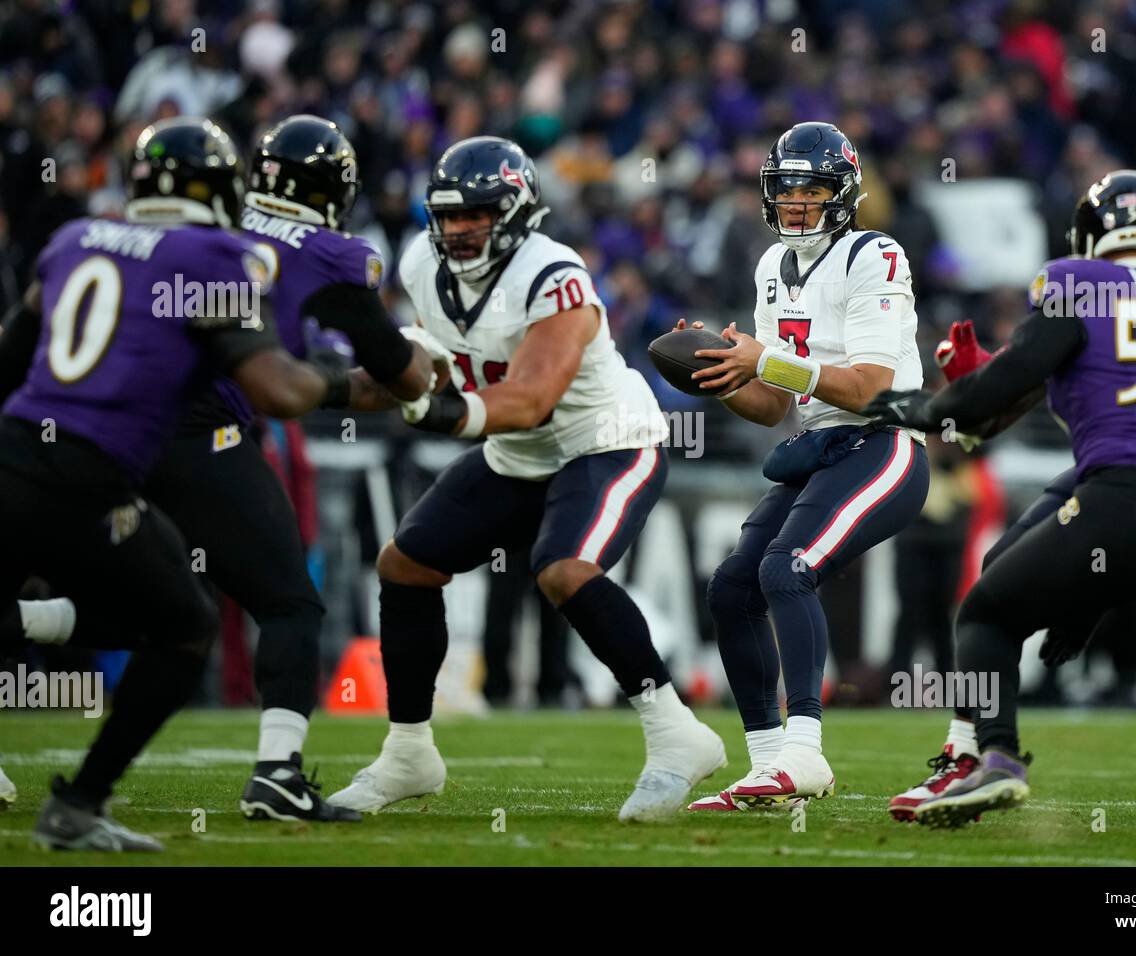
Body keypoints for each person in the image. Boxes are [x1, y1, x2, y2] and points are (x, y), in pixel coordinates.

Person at [0, 115, 439, 823]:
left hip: (40, 440)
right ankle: (275, 774)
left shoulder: (80, 235)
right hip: (198, 431)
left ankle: (20, 623)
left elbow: (11, 356)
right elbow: (341, 381)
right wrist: (413, 372)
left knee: (161, 602)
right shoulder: (303, 253)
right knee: (282, 602)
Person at [867, 169, 1136, 827]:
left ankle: (999, 758)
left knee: (987, 613)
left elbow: (1008, 383)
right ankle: (965, 758)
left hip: (1129, 497)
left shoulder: (1080, 285)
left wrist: (925, 408)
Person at [327, 136, 726, 822]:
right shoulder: (423, 263)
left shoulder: (553, 275)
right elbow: (429, 365)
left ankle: (676, 733)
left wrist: (439, 410)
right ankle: (409, 750)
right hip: (519, 455)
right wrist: (322, 387)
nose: (457, 230)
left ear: (515, 212)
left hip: (605, 442)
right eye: (448, 216)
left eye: (475, 215)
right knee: (407, 564)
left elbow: (532, 398)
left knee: (563, 569)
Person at [684, 122, 929, 811]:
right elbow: (769, 407)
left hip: (883, 445)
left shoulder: (872, 254)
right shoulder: (771, 267)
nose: (796, 202)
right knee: (732, 589)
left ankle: (804, 753)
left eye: (813, 188)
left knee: (785, 568)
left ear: (843, 193)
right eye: (785, 189)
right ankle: (769, 767)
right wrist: (721, 373)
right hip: (822, 450)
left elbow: (870, 388)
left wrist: (761, 357)